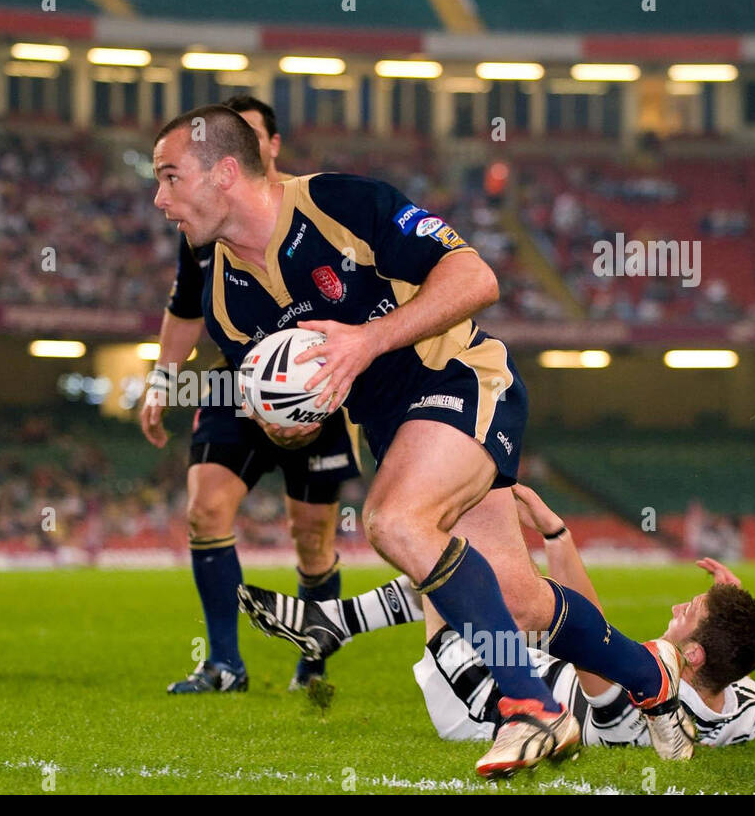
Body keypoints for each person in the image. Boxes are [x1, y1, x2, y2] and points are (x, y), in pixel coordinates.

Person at [152, 105, 693, 776]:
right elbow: (294, 410)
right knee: (518, 598)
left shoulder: (339, 203)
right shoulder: (225, 304)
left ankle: (529, 710)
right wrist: (285, 420)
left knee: (394, 520)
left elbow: (476, 279)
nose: (160, 198)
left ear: (224, 172)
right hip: (399, 430)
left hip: (462, 376)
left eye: (171, 177)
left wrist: (366, 340)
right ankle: (651, 675)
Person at [245, 485, 755, 748]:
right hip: (534, 663)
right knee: (492, 585)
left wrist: (555, 533)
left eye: (691, 613)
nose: (681, 606)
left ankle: (335, 622)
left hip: (479, 698)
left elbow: (592, 637)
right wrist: (732, 603)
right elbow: (737, 659)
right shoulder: (744, 706)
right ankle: (333, 623)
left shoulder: (639, 709)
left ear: (693, 655)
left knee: (463, 566)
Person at [141, 95, 363, 694]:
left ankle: (312, 654)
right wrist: (164, 378)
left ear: (266, 147)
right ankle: (223, 664)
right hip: (227, 380)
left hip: (317, 390)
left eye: (253, 134)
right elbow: (186, 307)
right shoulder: (201, 228)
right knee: (205, 510)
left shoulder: (311, 212)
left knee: (312, 535)